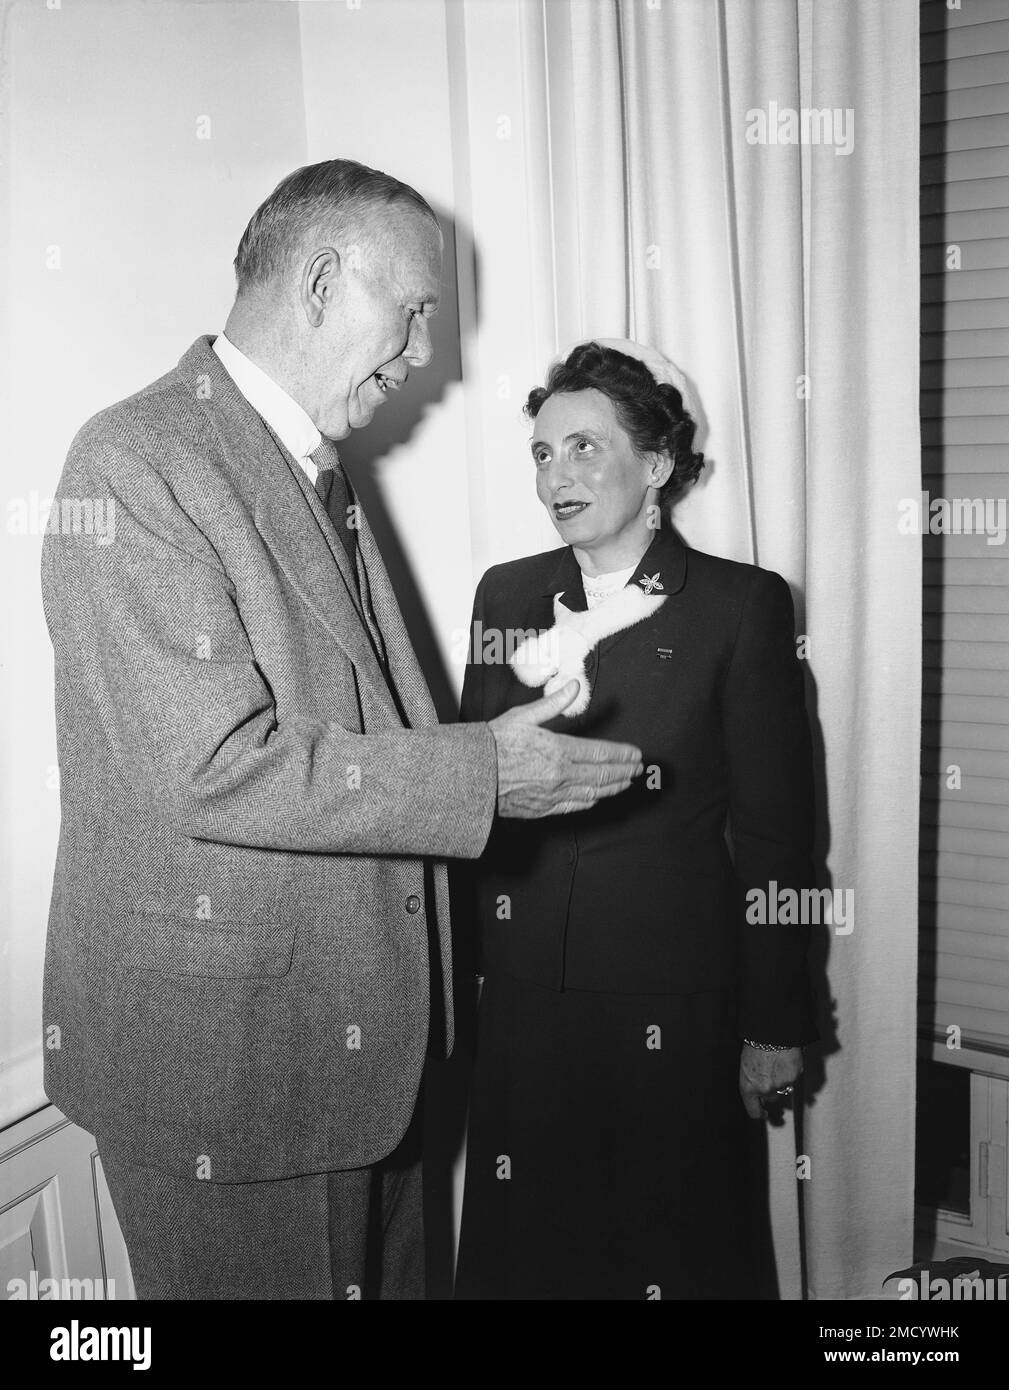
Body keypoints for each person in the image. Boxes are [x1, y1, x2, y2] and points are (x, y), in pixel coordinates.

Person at [39, 163, 644, 1301]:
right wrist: (486, 774)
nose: (424, 351)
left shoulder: (312, 464)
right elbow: (206, 768)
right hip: (235, 1077)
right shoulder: (130, 461)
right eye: (412, 310)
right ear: (320, 281)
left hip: (367, 1058)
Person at [454, 339, 817, 1300]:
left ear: (655, 466)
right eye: (540, 452)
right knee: (531, 1260)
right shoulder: (505, 593)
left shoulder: (740, 606)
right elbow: (469, 796)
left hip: (675, 1006)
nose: (554, 476)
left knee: (674, 1250)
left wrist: (773, 1022)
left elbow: (778, 836)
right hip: (527, 1001)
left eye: (582, 448)